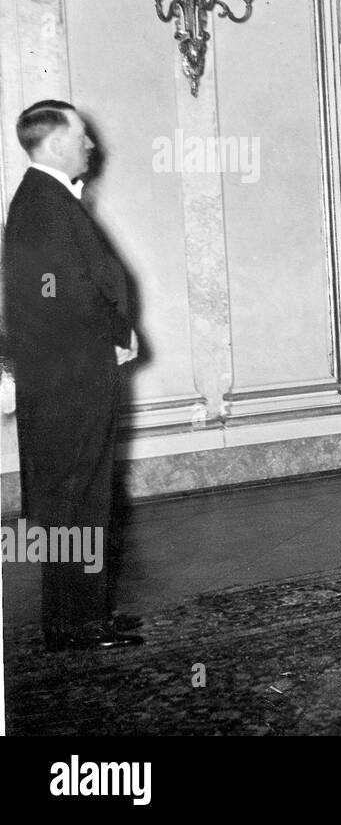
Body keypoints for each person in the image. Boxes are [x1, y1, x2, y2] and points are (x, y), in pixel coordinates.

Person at [1, 100, 143, 651]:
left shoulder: (45, 199)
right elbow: (69, 291)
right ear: (56, 142)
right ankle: (76, 624)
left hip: (67, 373)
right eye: (82, 135)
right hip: (71, 377)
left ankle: (78, 618)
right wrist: (114, 334)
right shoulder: (45, 202)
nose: (90, 144)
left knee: (74, 499)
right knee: (73, 499)